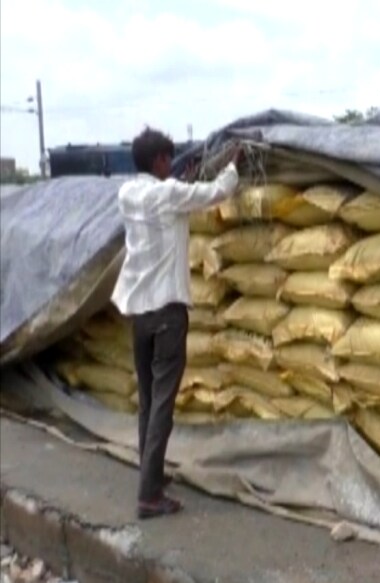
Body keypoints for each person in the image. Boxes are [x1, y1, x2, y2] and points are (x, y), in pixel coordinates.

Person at [110, 128, 243, 520]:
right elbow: (216, 192)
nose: (171, 166)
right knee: (163, 405)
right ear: (159, 161)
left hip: (140, 314)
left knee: (148, 401)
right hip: (167, 313)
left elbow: (167, 197)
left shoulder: (127, 194)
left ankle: (149, 474)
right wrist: (233, 165)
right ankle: (149, 497)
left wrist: (182, 178)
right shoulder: (169, 195)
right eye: (168, 159)